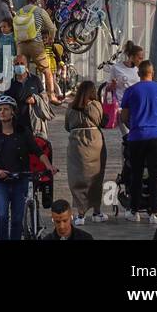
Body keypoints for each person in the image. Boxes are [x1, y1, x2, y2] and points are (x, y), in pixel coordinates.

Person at [0, 94, 53, 240]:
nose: (2, 112)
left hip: (20, 180)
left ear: (13, 111)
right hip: (0, 182)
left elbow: (38, 151)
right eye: (0, 109)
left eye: (6, 109)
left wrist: (49, 166)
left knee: (17, 219)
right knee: (2, 216)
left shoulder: (23, 132)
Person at [119, 59, 157, 223]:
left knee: (136, 174)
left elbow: (124, 116)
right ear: (153, 73)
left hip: (137, 137)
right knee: (156, 176)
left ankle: (134, 210)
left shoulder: (131, 91)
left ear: (138, 73)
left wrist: (133, 125)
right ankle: (154, 212)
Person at [64, 80, 108, 225]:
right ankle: (97, 211)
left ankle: (80, 214)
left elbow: (67, 126)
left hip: (76, 144)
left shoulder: (71, 107)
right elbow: (102, 121)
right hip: (94, 142)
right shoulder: (95, 105)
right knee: (96, 178)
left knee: (77, 178)